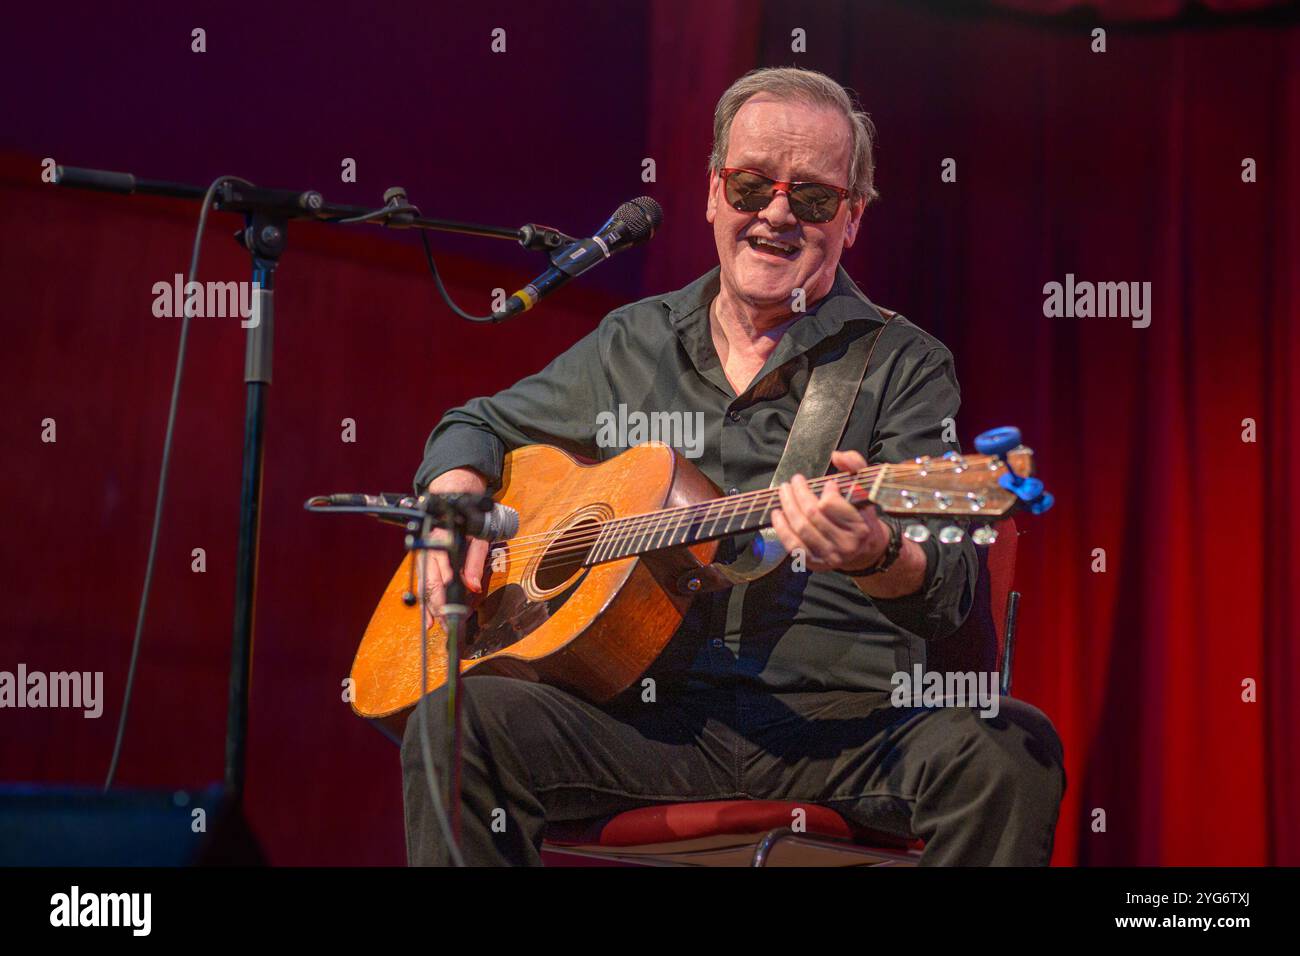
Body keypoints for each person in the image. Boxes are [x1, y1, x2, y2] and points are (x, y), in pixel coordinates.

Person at [403, 66, 1065, 866]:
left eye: (814, 198)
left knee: (1010, 751)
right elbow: (472, 425)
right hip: (646, 721)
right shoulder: (633, 342)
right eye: (752, 186)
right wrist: (452, 507)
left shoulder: (905, 364)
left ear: (852, 219)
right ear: (714, 192)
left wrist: (877, 553)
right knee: (453, 719)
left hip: (846, 731)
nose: (777, 214)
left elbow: (950, 589)